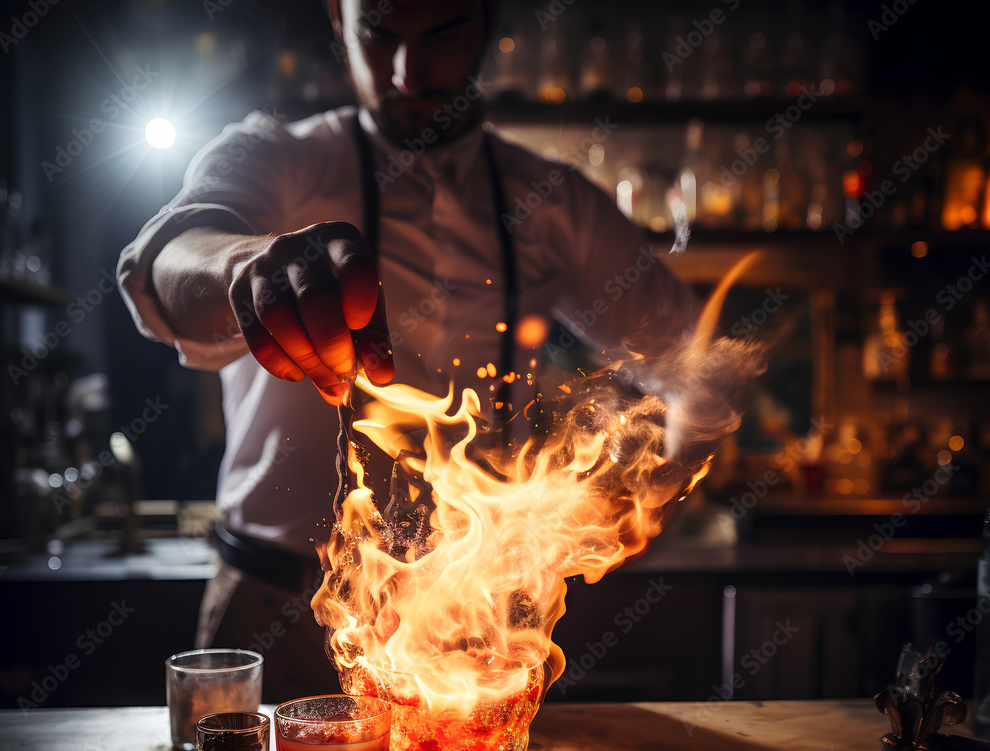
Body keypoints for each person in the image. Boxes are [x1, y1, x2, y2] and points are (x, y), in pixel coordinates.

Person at [117, 0, 698, 700]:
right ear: (338, 20)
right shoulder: (280, 157)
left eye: (443, 33)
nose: (406, 71)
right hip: (280, 612)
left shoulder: (554, 202)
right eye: (379, 34)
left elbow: (695, 363)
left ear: (487, 22)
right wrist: (246, 264)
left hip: (474, 620)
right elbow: (168, 258)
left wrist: (635, 505)